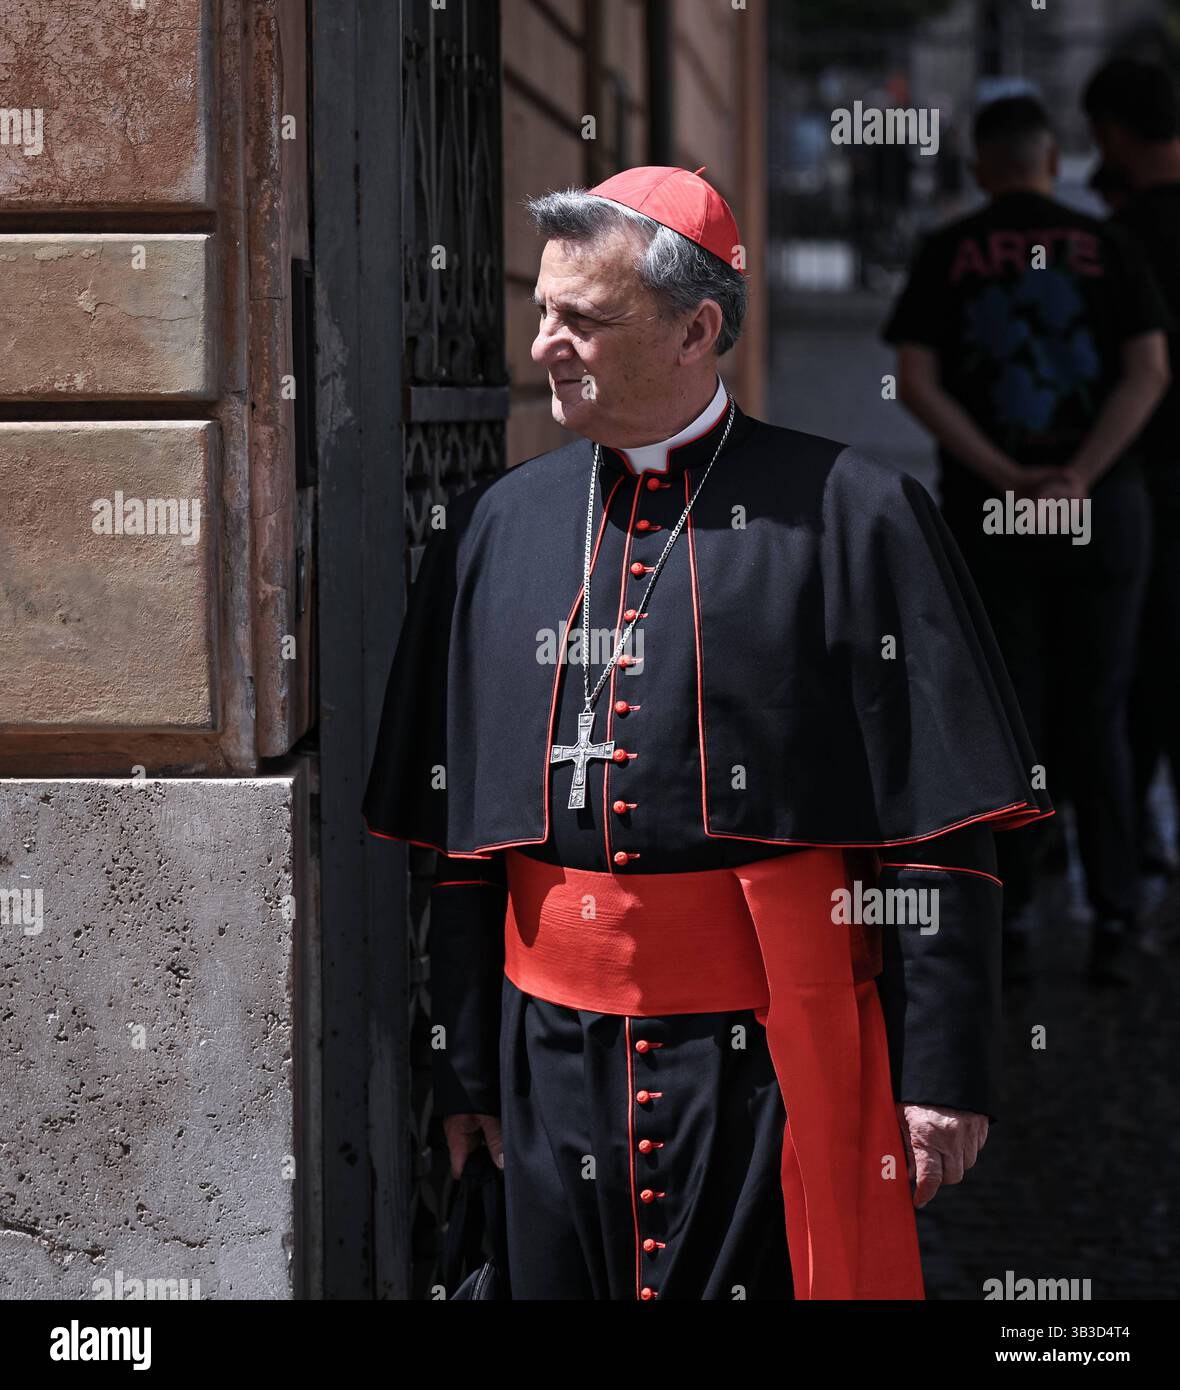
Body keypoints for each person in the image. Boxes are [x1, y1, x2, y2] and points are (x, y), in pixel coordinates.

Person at [363, 166, 1052, 1300]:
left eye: (583, 320)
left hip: (766, 1059)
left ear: (697, 329)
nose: (544, 345)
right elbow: (463, 844)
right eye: (542, 310)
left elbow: (941, 825)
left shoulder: (851, 513)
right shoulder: (497, 526)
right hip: (548, 1063)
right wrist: (466, 1074)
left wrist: (942, 1074)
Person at [884, 97, 1170, 985]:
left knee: (1007, 715)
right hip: (1100, 507)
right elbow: (1148, 370)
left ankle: (1005, 918)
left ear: (978, 167)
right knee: (1102, 712)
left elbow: (919, 380)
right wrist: (1080, 472)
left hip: (989, 513)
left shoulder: (947, 251)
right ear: (1055, 159)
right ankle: (1115, 919)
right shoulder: (1111, 244)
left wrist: (1004, 473)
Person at [1084, 58, 1180, 877]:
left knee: (1133, 672)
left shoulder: (1118, 242)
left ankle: (1130, 839)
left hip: (1142, 481)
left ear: (1111, 133)